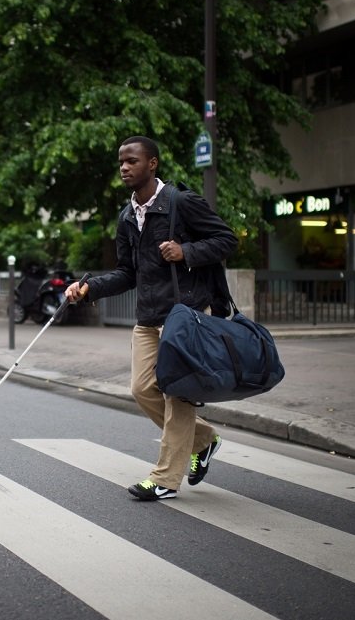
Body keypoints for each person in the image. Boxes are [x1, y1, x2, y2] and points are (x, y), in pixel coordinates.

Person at [64, 136, 238, 501]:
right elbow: (128, 272)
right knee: (142, 389)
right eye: (121, 162)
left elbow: (226, 240)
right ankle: (204, 441)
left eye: (132, 161)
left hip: (185, 316)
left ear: (153, 164)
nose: (125, 168)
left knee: (177, 395)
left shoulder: (181, 203)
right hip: (148, 317)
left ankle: (164, 479)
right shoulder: (127, 216)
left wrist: (186, 250)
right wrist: (88, 288)